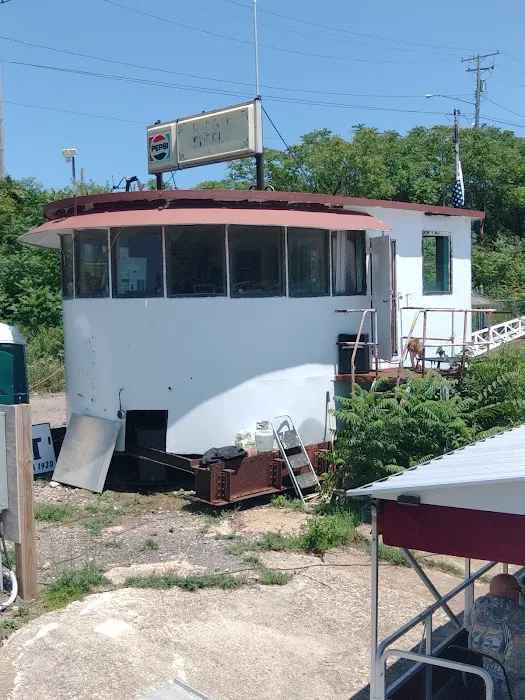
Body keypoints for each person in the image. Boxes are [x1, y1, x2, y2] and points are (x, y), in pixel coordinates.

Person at [465, 573, 525, 699]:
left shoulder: (478, 605)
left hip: (483, 678)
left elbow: (468, 626)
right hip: (515, 687)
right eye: (518, 591)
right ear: (510, 593)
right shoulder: (520, 614)